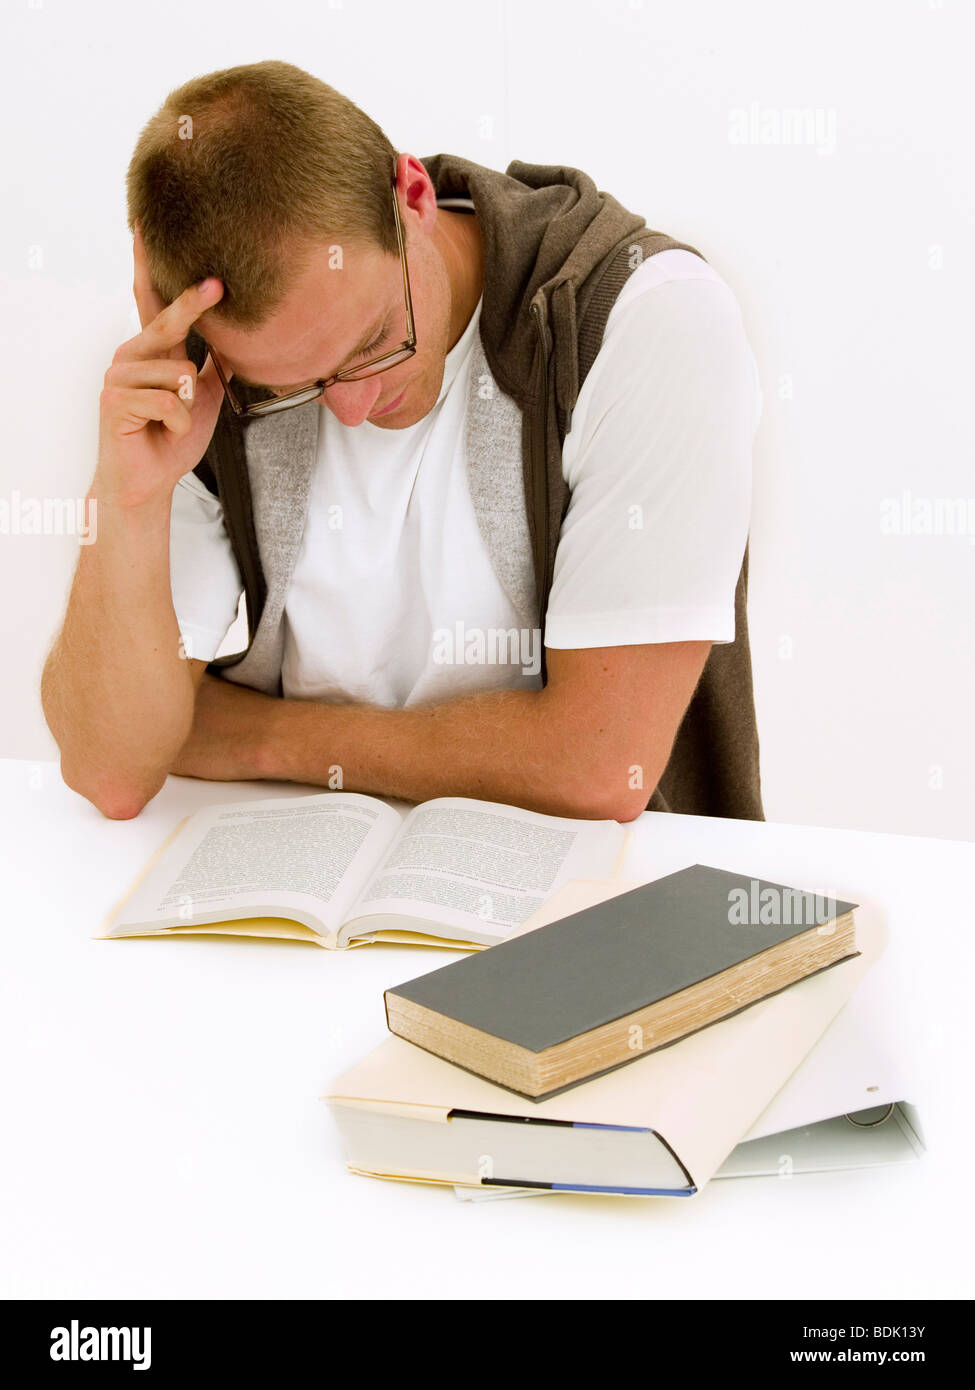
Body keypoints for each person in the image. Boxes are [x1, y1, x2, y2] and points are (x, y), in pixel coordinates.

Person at [41, 60, 764, 824]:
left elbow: (597, 768)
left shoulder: (647, 317)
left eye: (375, 340)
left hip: (599, 909)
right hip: (306, 890)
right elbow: (111, 773)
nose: (351, 409)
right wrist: (129, 497)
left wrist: (252, 736)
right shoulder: (210, 379)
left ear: (412, 195)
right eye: (297, 386)